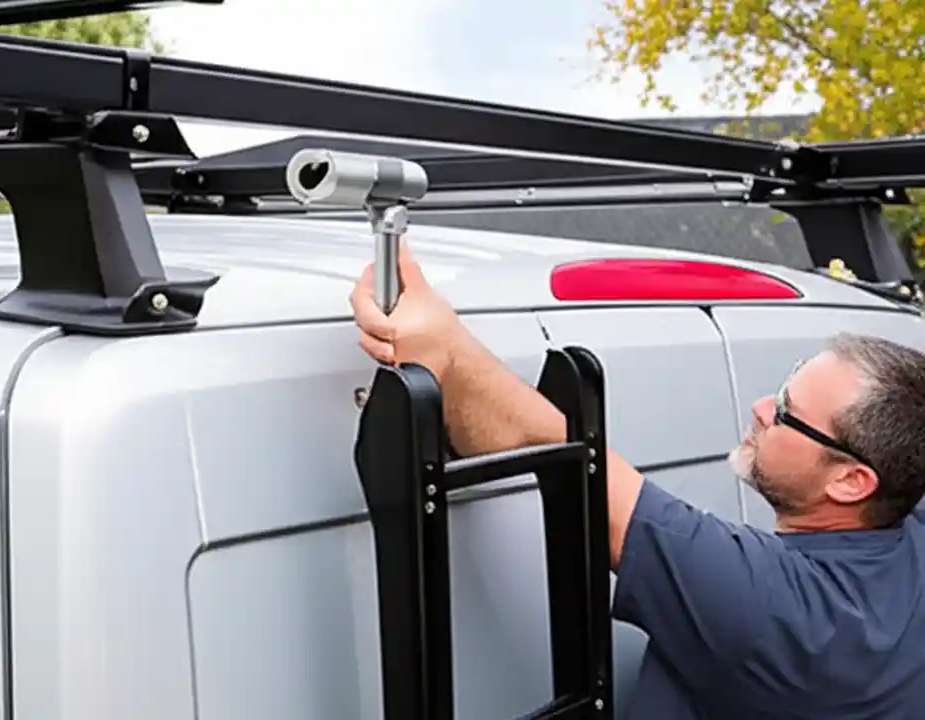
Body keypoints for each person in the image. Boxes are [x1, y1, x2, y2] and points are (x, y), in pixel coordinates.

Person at [349, 241, 925, 719]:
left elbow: (555, 449)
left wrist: (436, 342)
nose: (760, 407)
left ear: (852, 482)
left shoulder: (781, 611)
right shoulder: (910, 540)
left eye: (787, 413)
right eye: (783, 386)